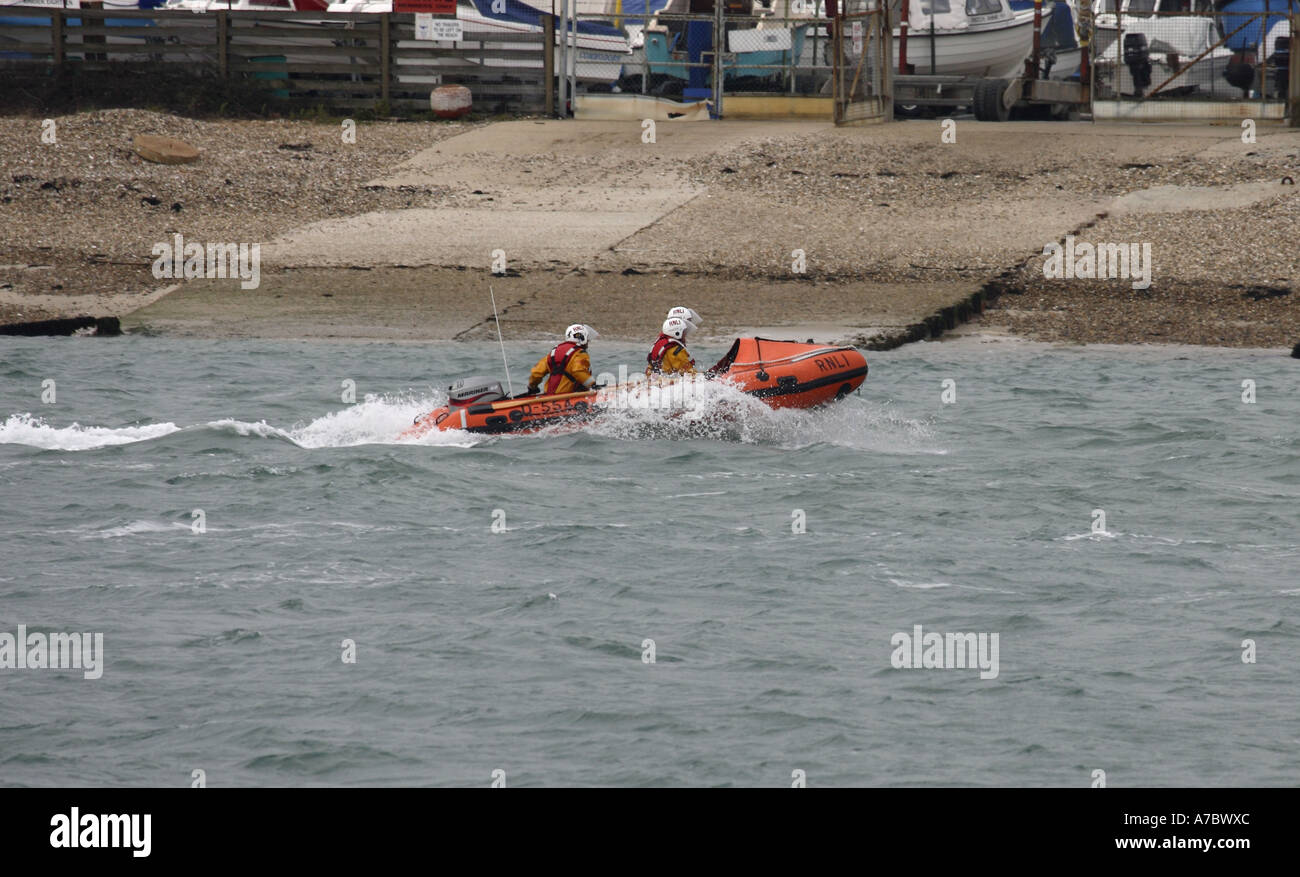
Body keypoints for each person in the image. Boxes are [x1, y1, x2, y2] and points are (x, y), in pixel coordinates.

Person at [526, 324, 598, 396]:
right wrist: (593, 385)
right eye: (588, 339)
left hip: (549, 396)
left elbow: (536, 373)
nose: (588, 342)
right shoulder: (580, 353)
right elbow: (578, 371)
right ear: (582, 337)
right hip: (568, 397)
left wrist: (532, 387)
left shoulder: (553, 352)